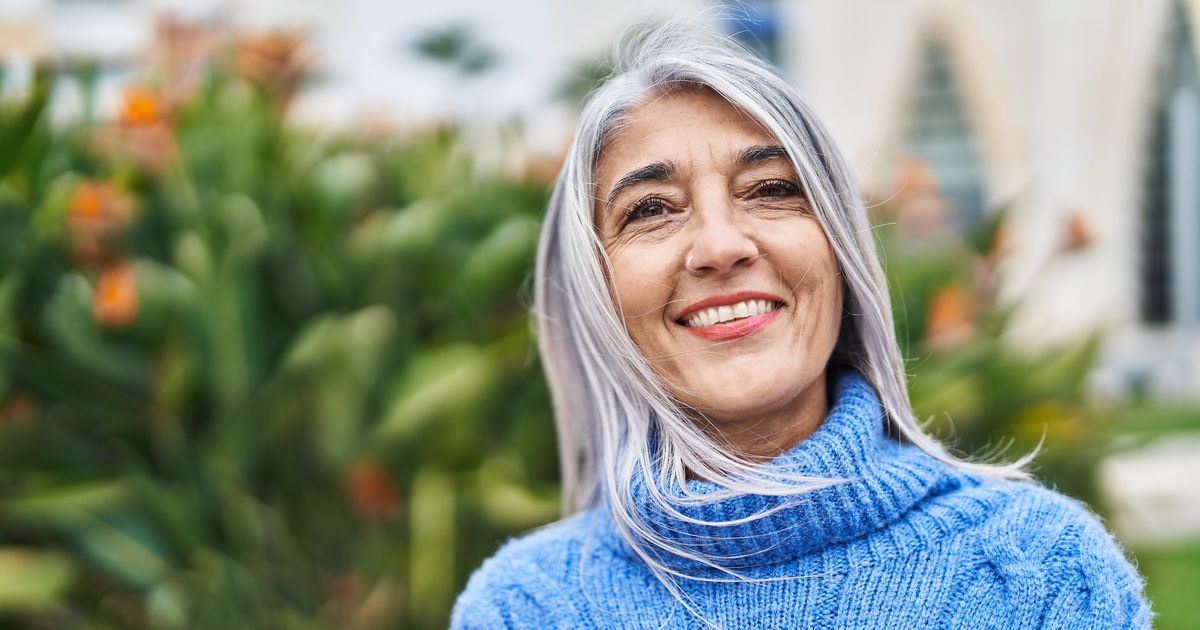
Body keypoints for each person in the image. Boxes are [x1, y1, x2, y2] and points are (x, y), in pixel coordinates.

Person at [452, 23, 1151, 629]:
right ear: (596, 287)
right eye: (652, 209)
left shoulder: (1039, 574)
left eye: (771, 190)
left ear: (841, 250)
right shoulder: (523, 608)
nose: (721, 246)